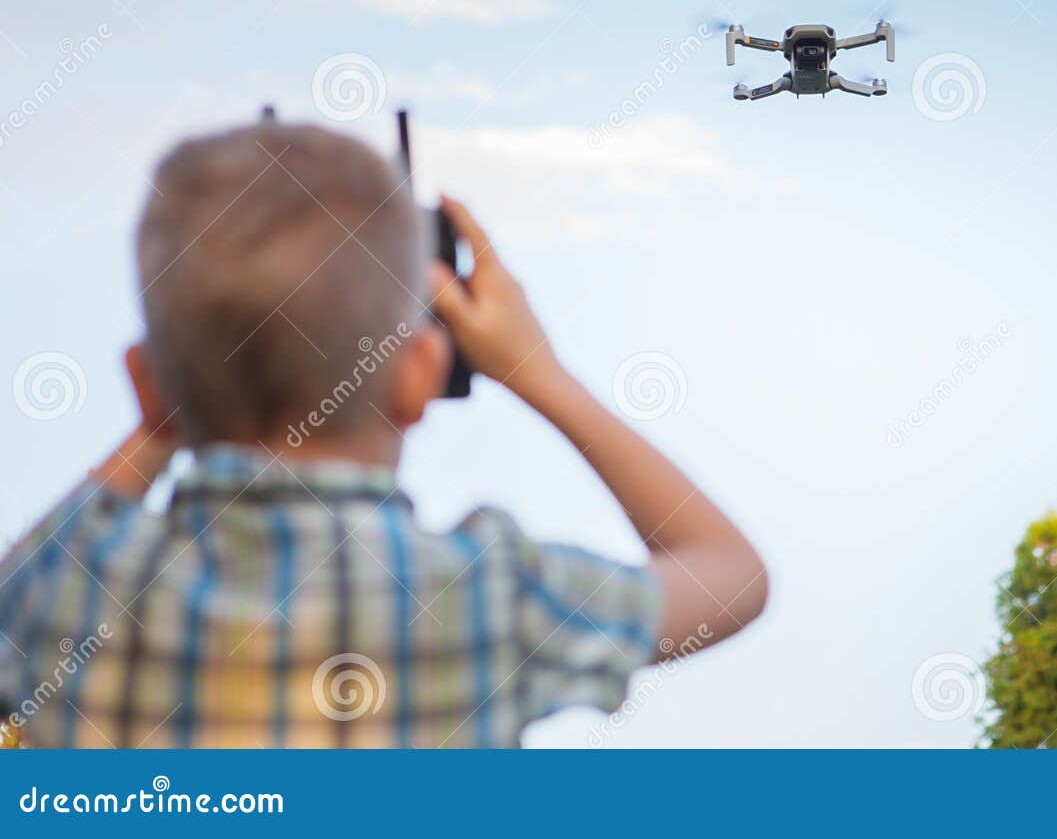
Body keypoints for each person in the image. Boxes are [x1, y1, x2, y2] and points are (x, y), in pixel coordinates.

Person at [0, 122, 767, 748]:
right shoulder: (487, 600)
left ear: (144, 382)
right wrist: (536, 369)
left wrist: (173, 404)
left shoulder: (67, 589)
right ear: (421, 373)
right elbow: (728, 574)